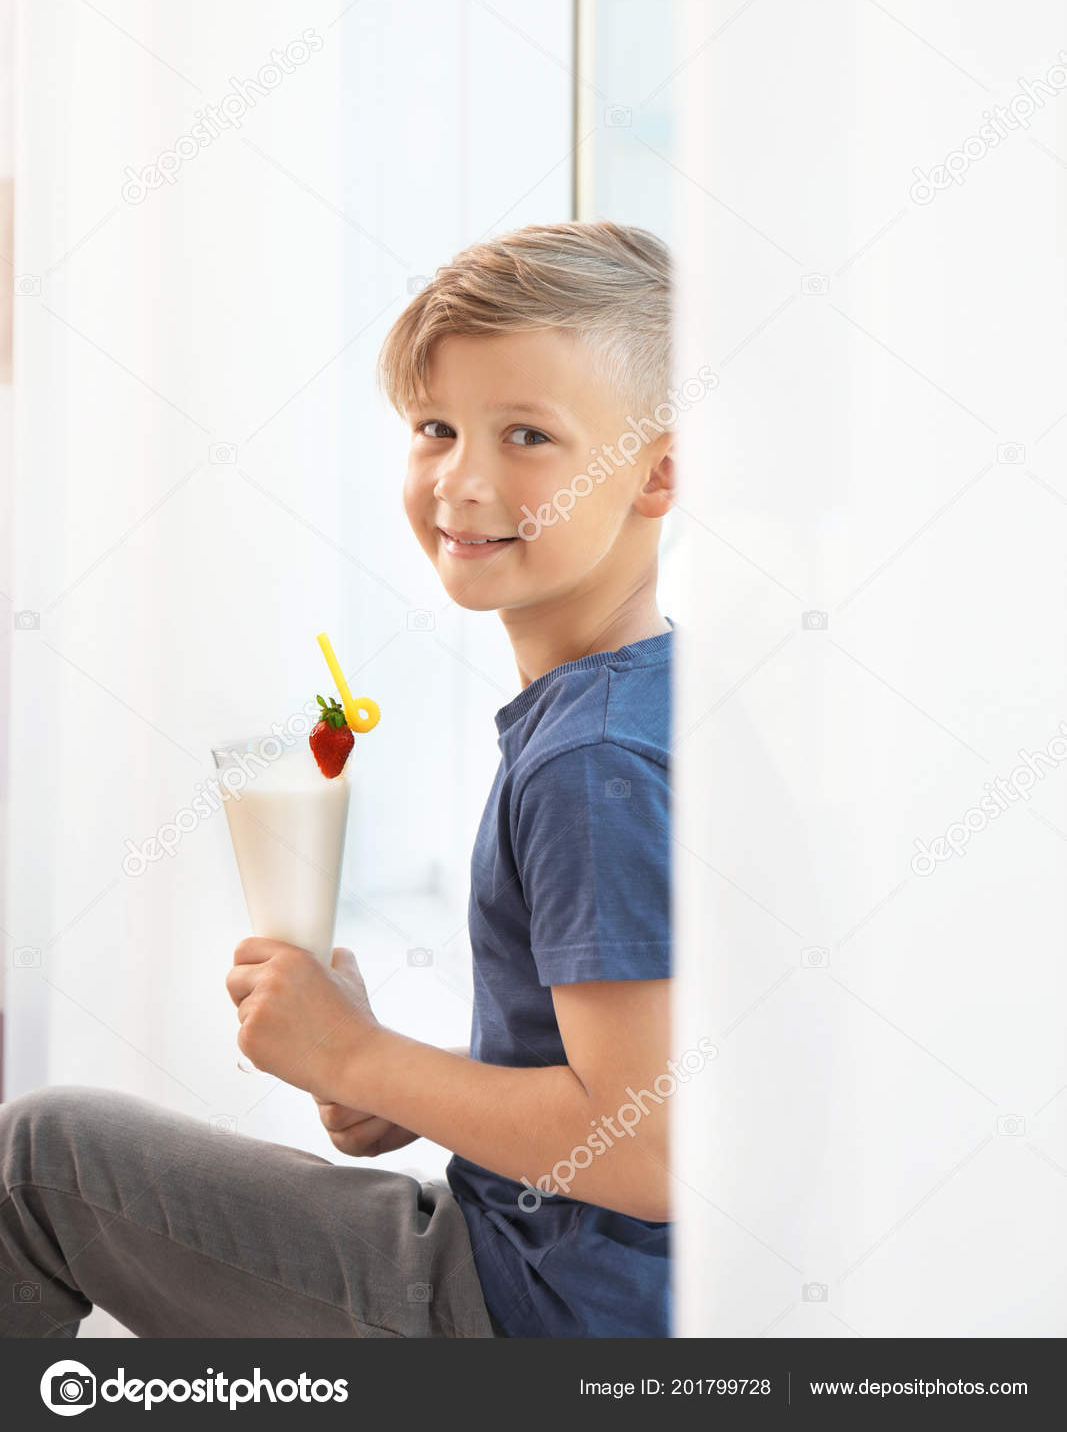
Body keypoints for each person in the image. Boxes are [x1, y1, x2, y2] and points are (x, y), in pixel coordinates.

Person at [0, 221, 677, 1339]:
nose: (461, 479)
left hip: (522, 1312)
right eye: (435, 427)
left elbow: (647, 1146)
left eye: (526, 434)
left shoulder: (588, 761)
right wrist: (396, 1083)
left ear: (657, 471)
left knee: (37, 1159)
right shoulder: (646, 699)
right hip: (547, 1263)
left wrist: (359, 1053)